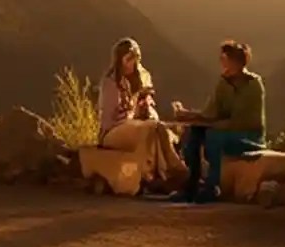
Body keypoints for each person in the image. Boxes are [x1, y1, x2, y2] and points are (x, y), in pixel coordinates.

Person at [170, 40, 267, 204]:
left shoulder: (253, 86)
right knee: (194, 133)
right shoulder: (224, 83)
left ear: (236, 63)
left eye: (226, 60)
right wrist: (187, 115)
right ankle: (191, 186)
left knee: (214, 137)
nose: (222, 63)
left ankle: (212, 187)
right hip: (225, 129)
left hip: (248, 135)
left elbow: (241, 120)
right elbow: (211, 112)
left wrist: (213, 125)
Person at [97, 38, 188, 192]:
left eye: (135, 59)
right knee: (148, 129)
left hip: (135, 124)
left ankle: (168, 174)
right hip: (113, 129)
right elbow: (111, 115)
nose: (132, 63)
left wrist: (145, 107)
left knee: (156, 127)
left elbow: (150, 113)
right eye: (128, 59)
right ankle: (158, 173)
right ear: (120, 60)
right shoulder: (111, 83)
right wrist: (133, 105)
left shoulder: (141, 78)